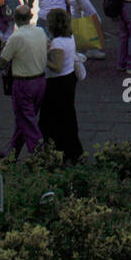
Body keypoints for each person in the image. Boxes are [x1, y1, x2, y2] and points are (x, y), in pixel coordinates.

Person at [0, 5, 48, 159]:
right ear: (30, 16)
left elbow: (2, 62)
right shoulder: (40, 31)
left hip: (23, 83)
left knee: (26, 119)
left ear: (16, 19)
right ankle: (12, 153)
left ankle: (39, 152)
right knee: (25, 119)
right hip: (40, 80)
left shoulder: (16, 37)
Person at [38, 9, 83, 163]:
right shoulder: (70, 37)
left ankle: (57, 150)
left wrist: (43, 57)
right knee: (68, 115)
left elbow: (56, 66)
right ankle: (74, 150)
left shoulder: (57, 43)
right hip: (69, 78)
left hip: (58, 83)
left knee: (49, 119)